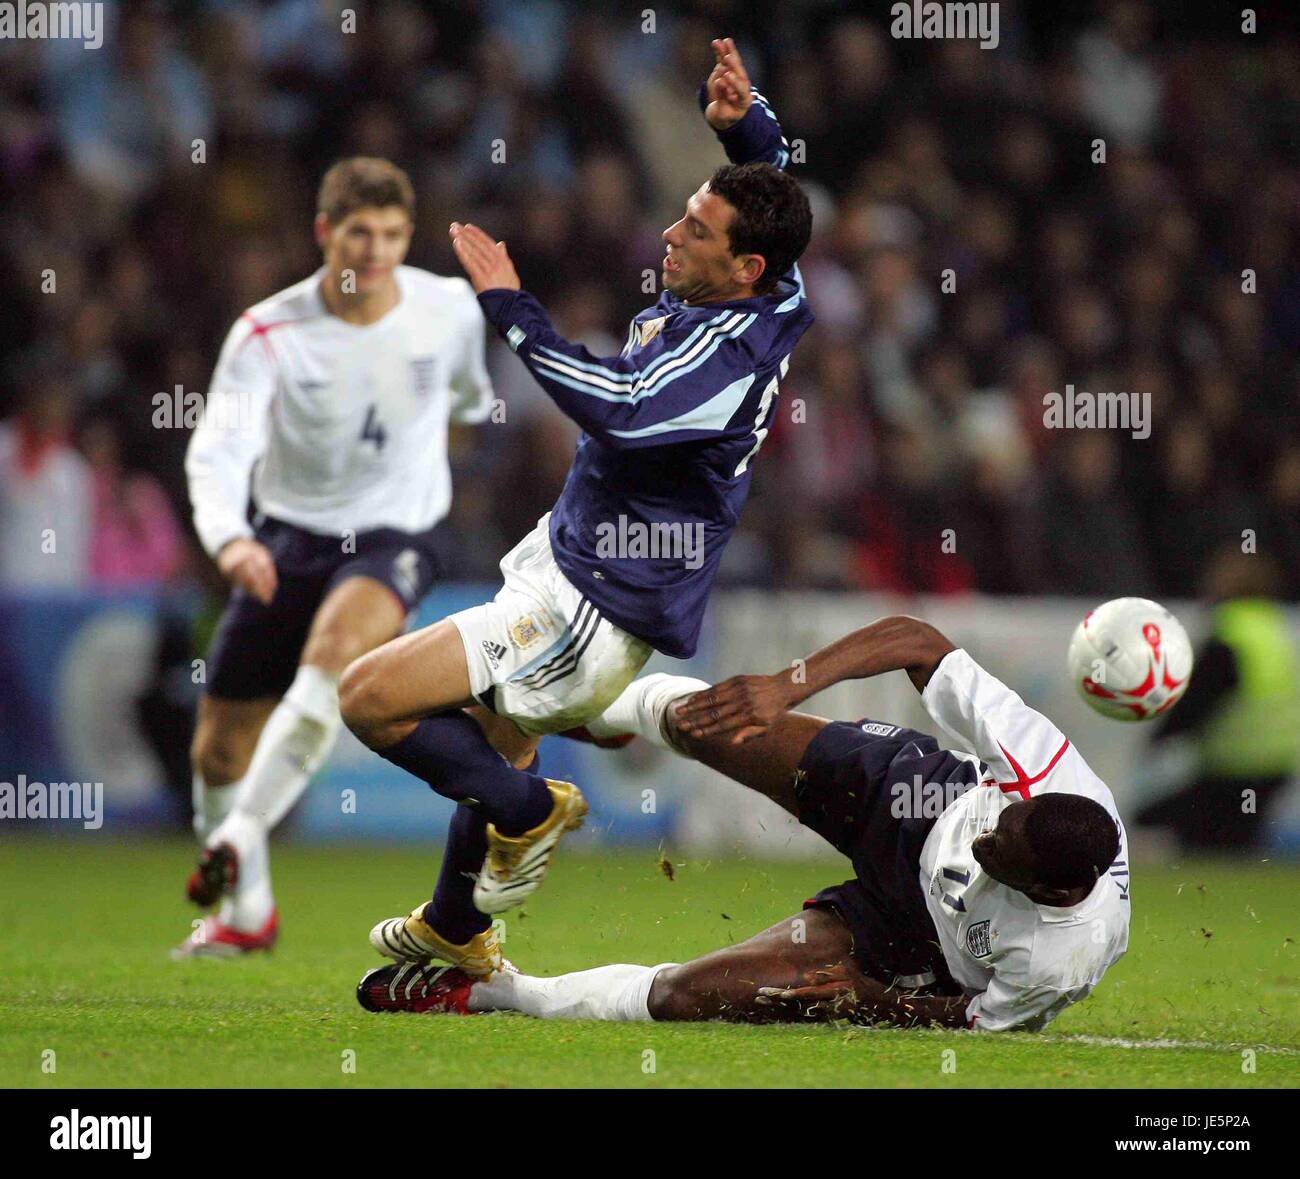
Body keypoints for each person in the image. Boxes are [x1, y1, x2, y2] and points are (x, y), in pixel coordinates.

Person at [340, 38, 815, 977]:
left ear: (744, 269)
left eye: (696, 232)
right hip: (576, 557)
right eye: (683, 215)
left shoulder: (729, 358)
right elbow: (785, 188)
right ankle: (456, 927)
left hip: (592, 603)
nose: (671, 236)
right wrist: (746, 128)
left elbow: (623, 411)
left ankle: (534, 814)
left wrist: (513, 307)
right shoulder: (777, 280)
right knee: (492, 741)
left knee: (369, 700)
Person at [358, 615, 1130, 1033]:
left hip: (910, 942)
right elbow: (916, 641)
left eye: (1002, 852)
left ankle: (486, 992)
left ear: (1051, 889)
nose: (988, 839)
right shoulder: (1037, 768)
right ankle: (562, 700)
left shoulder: (1058, 961)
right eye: (1004, 819)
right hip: (913, 798)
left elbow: (970, 1017)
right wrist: (785, 685)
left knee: (689, 997)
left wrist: (869, 997)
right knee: (713, 724)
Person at [174, 157, 495, 958]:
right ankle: (245, 910)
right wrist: (231, 538)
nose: (377, 251)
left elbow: (466, 398)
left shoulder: (450, 307)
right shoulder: (267, 333)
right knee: (217, 746)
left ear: (408, 235)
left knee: (333, 658)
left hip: (397, 536)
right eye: (360, 232)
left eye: (392, 234)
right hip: (284, 538)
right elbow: (217, 451)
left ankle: (242, 830)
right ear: (325, 233)